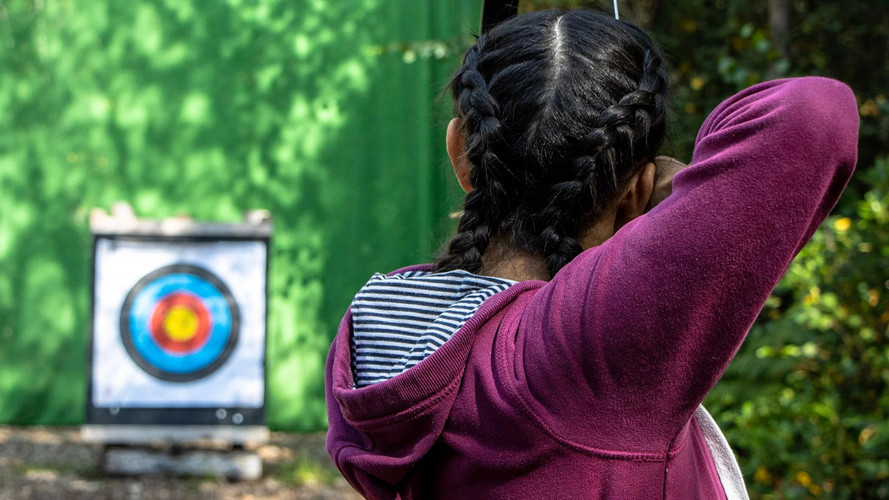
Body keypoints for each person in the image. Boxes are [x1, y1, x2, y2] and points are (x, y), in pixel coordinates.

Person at [325, 9, 858, 499]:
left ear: (460, 155)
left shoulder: (384, 324)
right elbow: (814, 112)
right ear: (636, 191)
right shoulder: (587, 346)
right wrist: (681, 183)